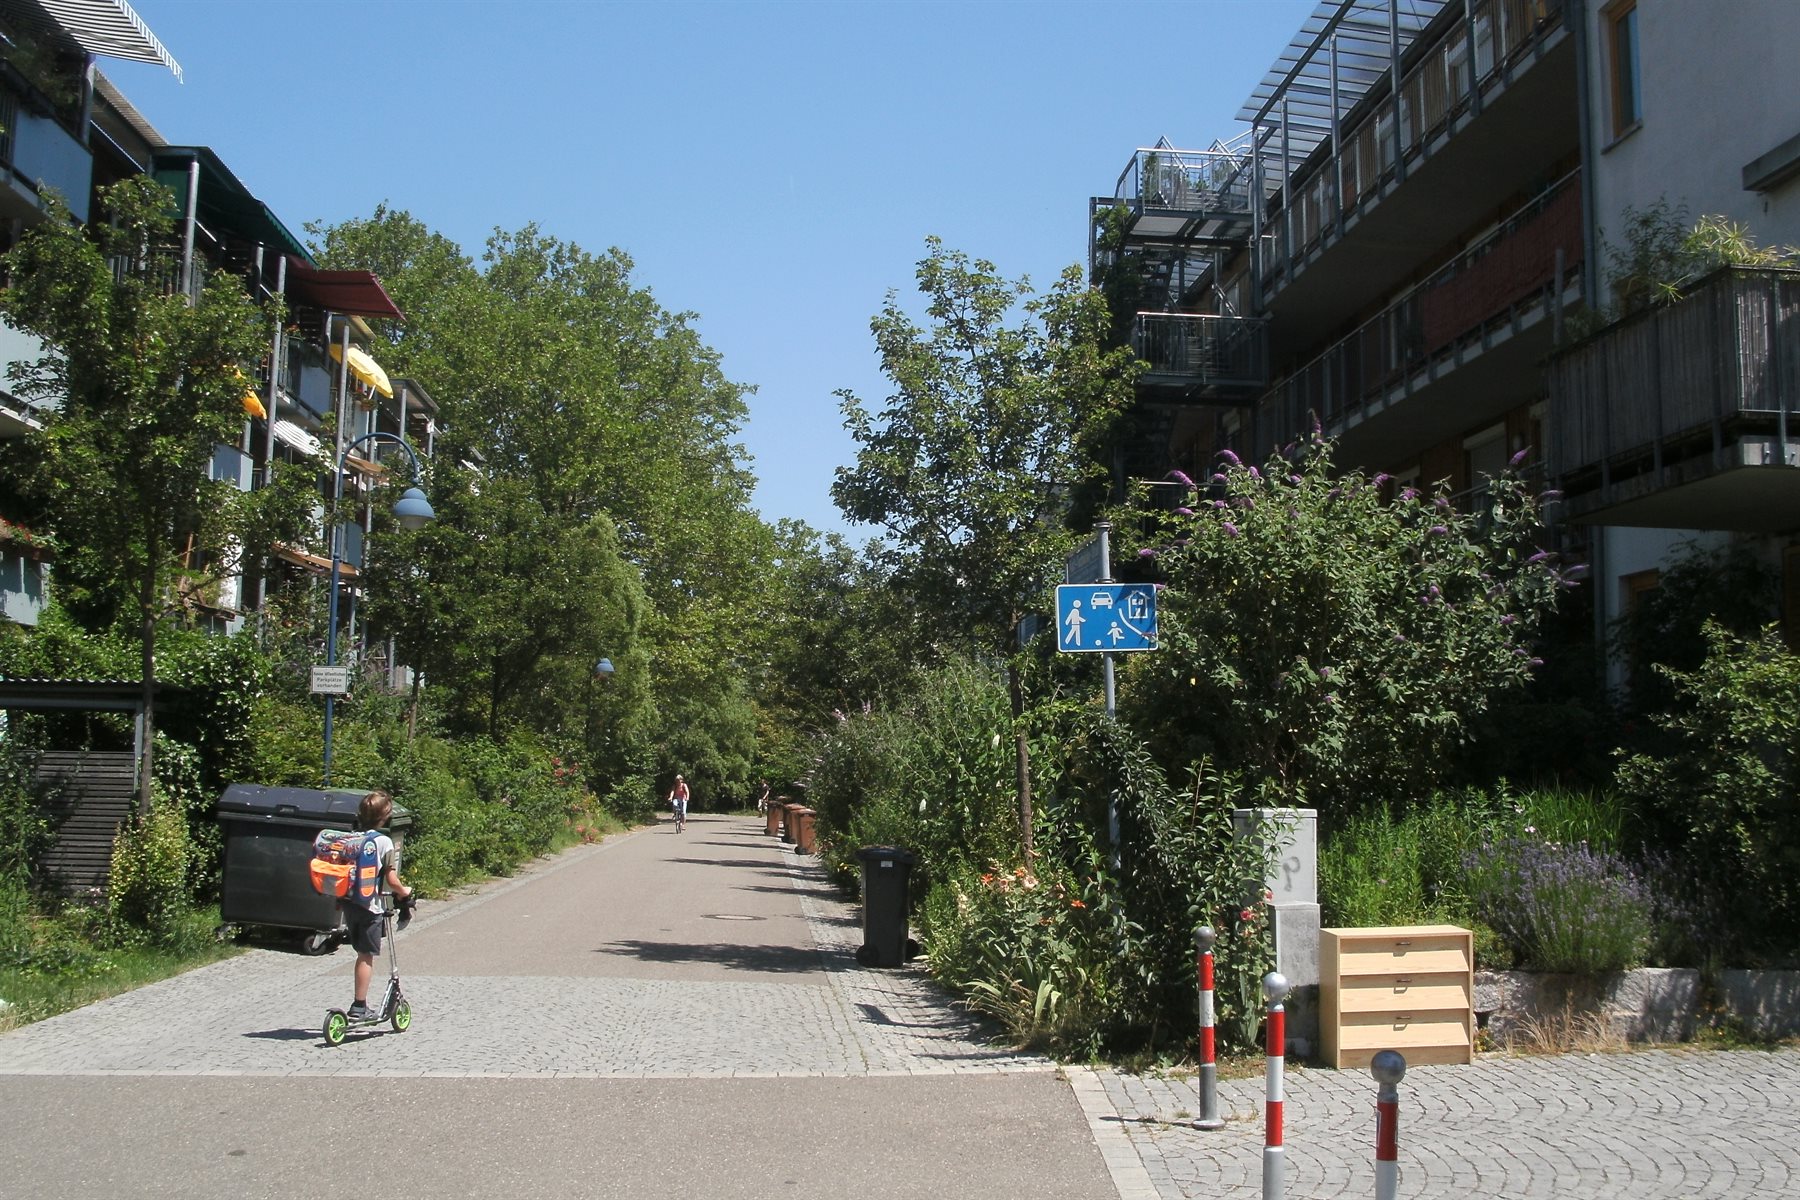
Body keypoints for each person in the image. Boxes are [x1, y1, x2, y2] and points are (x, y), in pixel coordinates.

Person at [343, 790, 411, 1021]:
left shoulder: (353, 837)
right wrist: (405, 892)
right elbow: (391, 880)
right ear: (385, 816)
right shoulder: (383, 842)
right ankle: (359, 1006)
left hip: (349, 904)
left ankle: (360, 1004)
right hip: (369, 907)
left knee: (360, 952)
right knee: (365, 956)